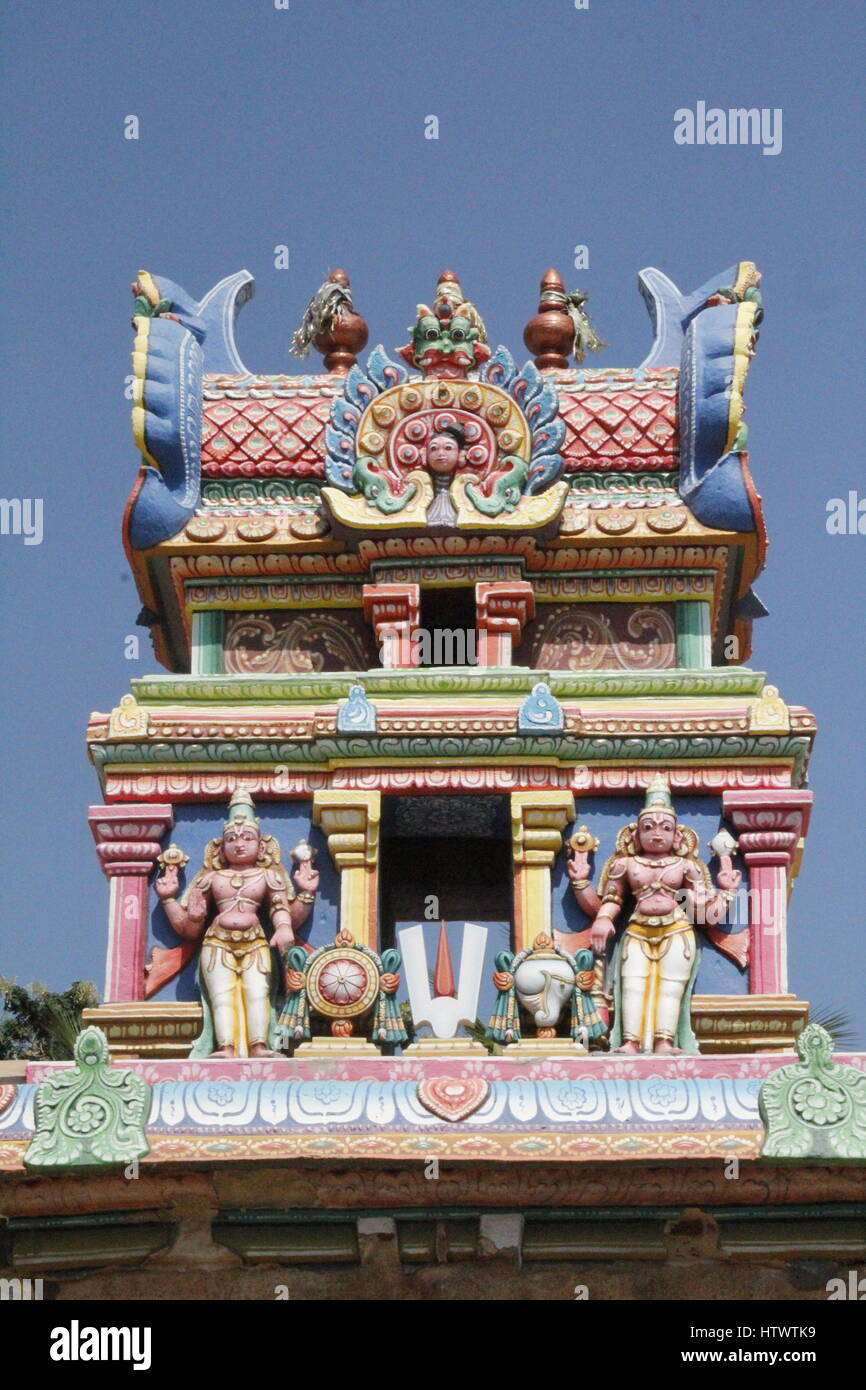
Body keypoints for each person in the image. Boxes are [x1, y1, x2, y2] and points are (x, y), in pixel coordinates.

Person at [567, 776, 740, 1054]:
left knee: (670, 988)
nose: (656, 833)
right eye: (648, 827)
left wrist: (727, 892)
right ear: (635, 835)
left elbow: (705, 915)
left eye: (665, 827)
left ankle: (664, 1041)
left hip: (676, 930)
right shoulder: (625, 864)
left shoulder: (686, 867)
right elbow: (610, 901)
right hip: (637, 930)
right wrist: (601, 916)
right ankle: (630, 1042)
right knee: (632, 984)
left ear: (677, 836)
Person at [155, 791, 319, 1057]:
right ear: (221, 847)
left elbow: (280, 909)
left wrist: (292, 914)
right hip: (217, 943)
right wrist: (169, 899)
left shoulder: (268, 876)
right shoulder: (211, 879)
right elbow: (189, 929)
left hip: (255, 943)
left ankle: (259, 1046)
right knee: (222, 996)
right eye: (232, 838)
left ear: (261, 846)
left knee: (258, 993)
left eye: (247, 837)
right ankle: (225, 1047)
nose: (239, 844)